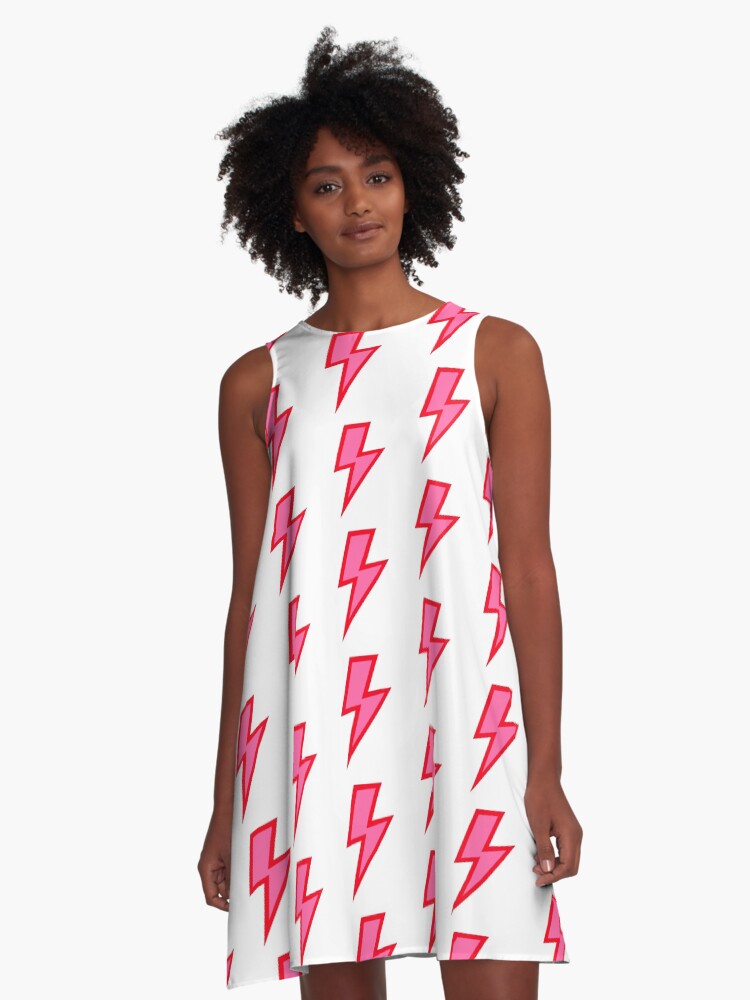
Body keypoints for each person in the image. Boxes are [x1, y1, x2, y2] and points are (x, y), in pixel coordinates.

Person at [198, 25, 582, 1000]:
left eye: (376, 176)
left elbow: (528, 569)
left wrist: (544, 768)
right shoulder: (259, 382)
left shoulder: (494, 352)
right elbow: (249, 600)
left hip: (468, 720)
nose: (358, 202)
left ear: (413, 184)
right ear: (291, 211)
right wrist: (227, 798)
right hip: (318, 732)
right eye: (327, 185)